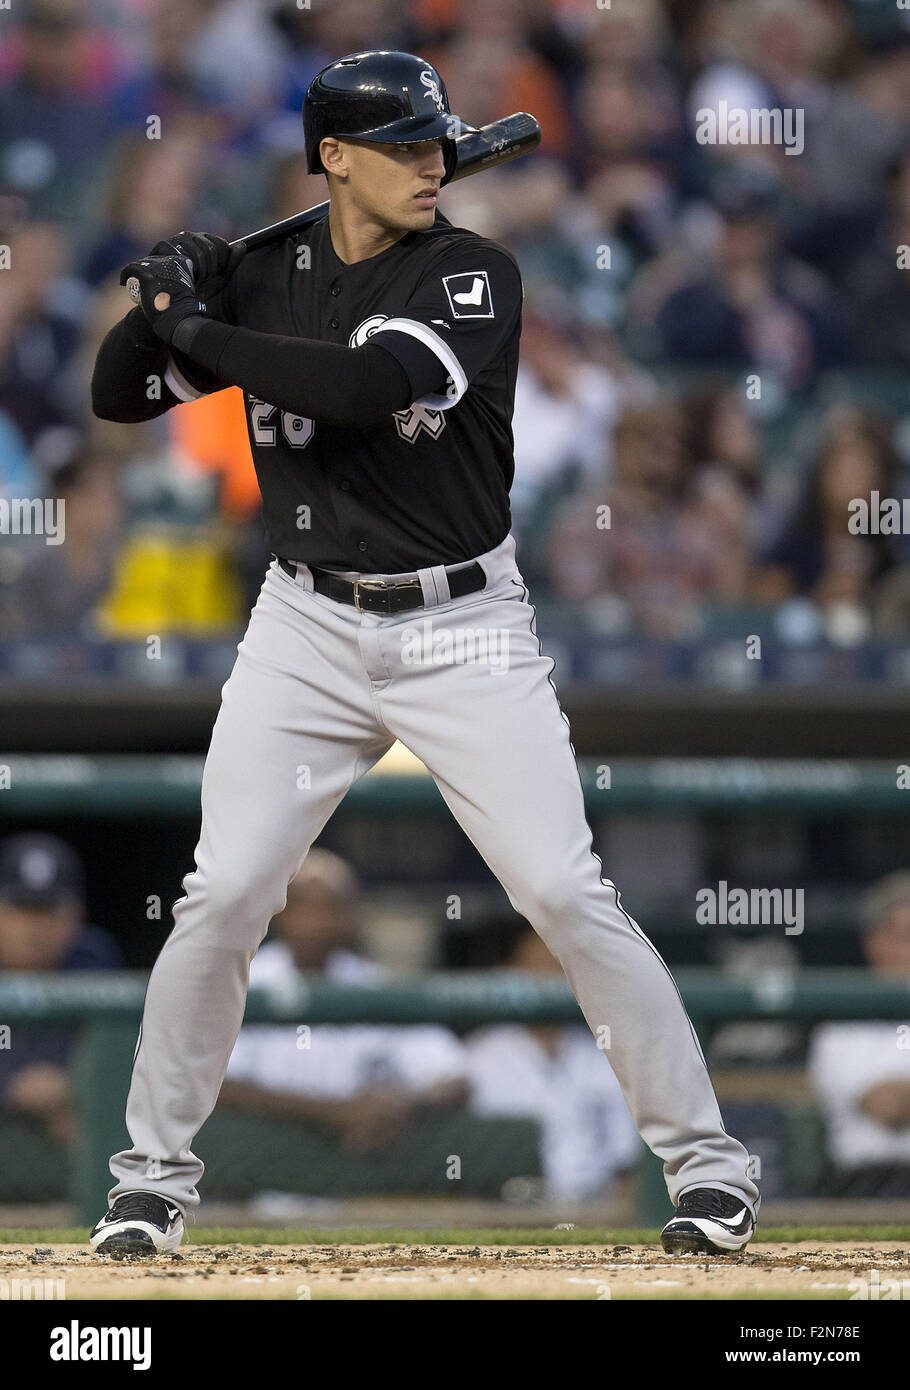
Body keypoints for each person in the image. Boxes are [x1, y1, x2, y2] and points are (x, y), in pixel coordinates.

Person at [88, 49, 759, 1259]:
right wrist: (164, 306)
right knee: (224, 893)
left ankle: (707, 1166)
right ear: (332, 158)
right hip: (303, 621)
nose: (431, 160)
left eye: (433, 142)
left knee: (560, 889)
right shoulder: (268, 277)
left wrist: (200, 319)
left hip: (461, 623)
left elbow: (358, 387)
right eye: (400, 145)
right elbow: (118, 399)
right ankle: (150, 1179)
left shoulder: (471, 271)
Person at [220, 850, 467, 1159]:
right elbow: (219, 1085)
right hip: (259, 1177)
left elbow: (455, 1076)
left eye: (332, 907)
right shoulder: (245, 981)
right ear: (279, 914)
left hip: (361, 1177)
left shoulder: (377, 986)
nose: (318, 922)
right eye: (304, 906)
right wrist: (334, 1112)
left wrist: (399, 1106)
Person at [465, 923, 640, 1203]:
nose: (550, 981)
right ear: (507, 972)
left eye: (559, 970)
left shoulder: (602, 1053)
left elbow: (628, 1165)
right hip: (504, 1214)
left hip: (599, 1214)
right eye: (538, 969)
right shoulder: (478, 1057)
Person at [0, 834, 120, 1146]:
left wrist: (77, 1087)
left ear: (76, 915)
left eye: (49, 910)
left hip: (64, 1151)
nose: (35, 927)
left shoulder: (92, 961)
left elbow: (128, 1063)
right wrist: (9, 1086)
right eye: (22, 908)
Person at [809, 873, 910, 1196]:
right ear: (876, 943)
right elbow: (888, 1108)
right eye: (905, 936)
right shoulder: (841, 1028)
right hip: (866, 1186)